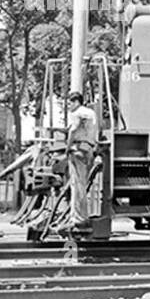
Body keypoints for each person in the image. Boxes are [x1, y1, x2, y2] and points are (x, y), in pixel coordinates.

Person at [65, 92, 100, 229]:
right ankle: (82, 216)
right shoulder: (91, 113)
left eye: (70, 103)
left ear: (76, 101)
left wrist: (67, 147)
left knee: (77, 185)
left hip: (78, 149)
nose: (69, 106)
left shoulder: (77, 113)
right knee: (82, 185)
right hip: (89, 149)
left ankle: (78, 218)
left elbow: (73, 130)